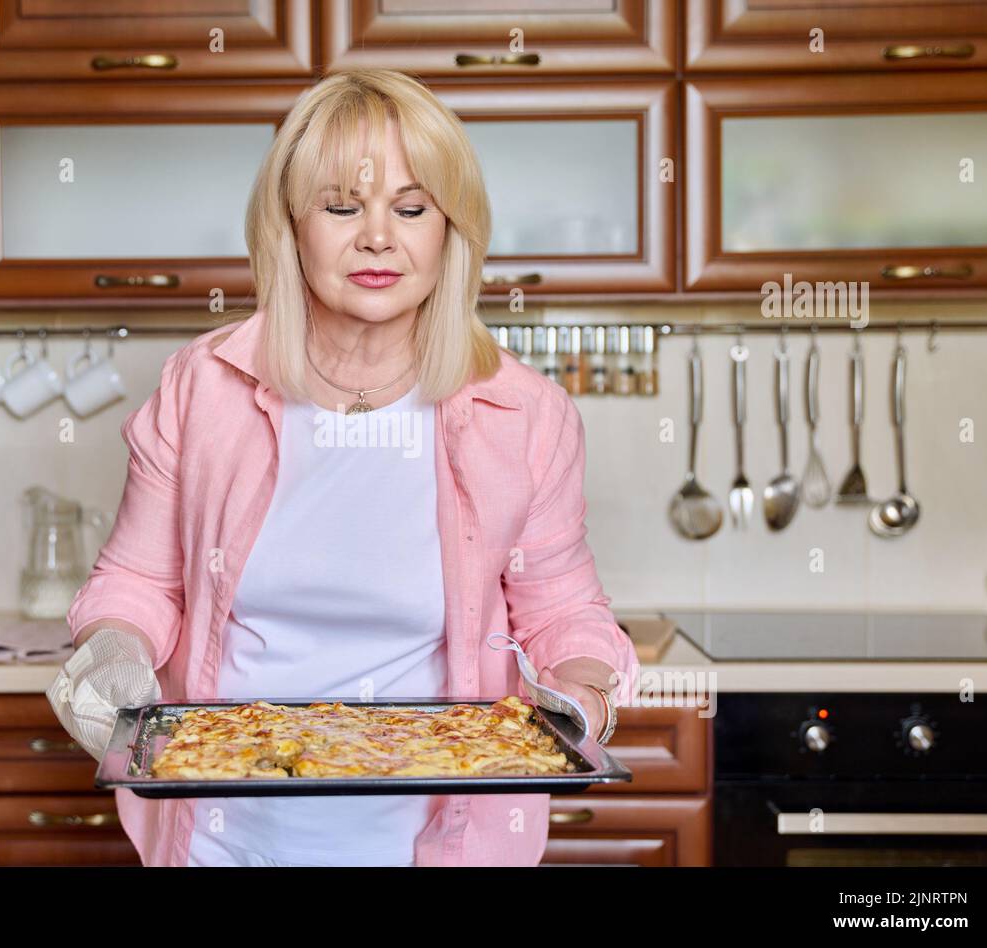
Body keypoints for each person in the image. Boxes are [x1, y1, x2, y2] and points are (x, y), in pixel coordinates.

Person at [47, 68, 640, 867]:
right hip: (223, 838)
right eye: (340, 207)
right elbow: (138, 582)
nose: (377, 238)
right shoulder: (203, 386)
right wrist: (112, 653)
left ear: (449, 230)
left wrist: (584, 694)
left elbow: (563, 608)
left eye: (410, 207)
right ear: (291, 226)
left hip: (439, 844)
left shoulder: (523, 414)